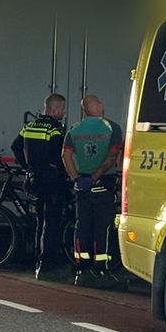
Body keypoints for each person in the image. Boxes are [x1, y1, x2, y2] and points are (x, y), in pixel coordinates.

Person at [62, 95, 126, 290]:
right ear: (99, 106)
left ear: (84, 110)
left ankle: (82, 269)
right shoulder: (112, 128)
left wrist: (77, 179)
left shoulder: (74, 130)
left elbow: (65, 156)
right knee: (103, 226)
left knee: (82, 225)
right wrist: (97, 176)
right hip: (102, 183)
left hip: (82, 184)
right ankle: (102, 269)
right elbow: (112, 157)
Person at [14, 93, 71, 281]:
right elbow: (60, 154)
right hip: (52, 181)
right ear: (54, 109)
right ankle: (48, 265)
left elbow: (15, 146)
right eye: (62, 109)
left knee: (40, 220)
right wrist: (61, 169)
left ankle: (37, 260)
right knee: (52, 222)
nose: (63, 112)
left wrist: (27, 165)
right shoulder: (55, 129)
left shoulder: (30, 126)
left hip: (34, 179)